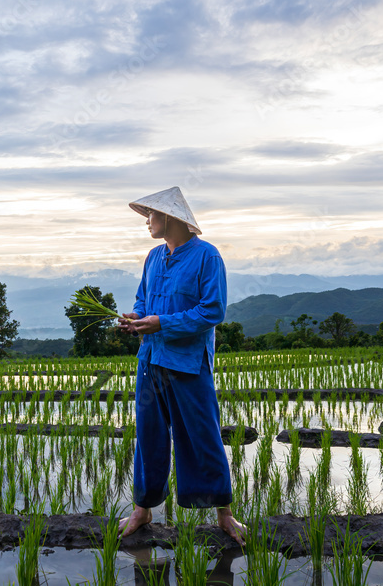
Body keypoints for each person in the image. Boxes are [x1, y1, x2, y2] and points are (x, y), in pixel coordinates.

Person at [116, 186, 246, 546]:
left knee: (201, 435)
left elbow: (212, 310)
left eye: (152, 215)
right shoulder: (154, 257)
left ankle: (224, 514)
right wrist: (137, 319)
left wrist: (162, 324)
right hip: (151, 362)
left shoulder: (207, 257)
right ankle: (142, 510)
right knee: (149, 436)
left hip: (189, 363)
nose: (147, 222)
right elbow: (143, 301)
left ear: (171, 218)